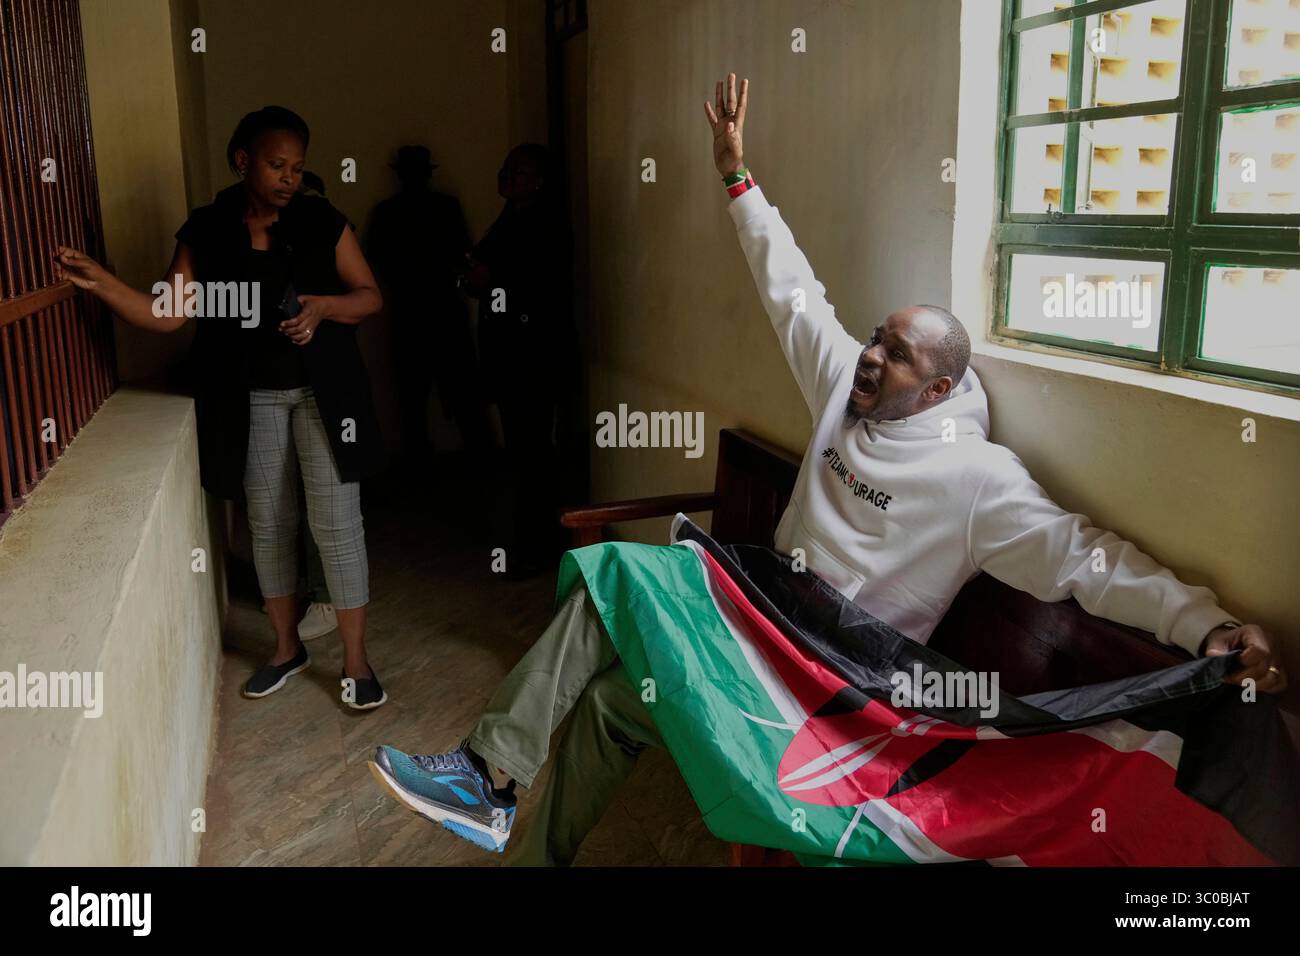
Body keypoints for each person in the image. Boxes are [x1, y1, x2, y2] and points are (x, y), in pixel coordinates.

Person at [366, 73, 1289, 862]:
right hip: (755, 627)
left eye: (894, 356)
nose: (868, 358)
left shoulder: (978, 482)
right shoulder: (844, 388)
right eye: (877, 339)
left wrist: (1205, 623)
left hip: (838, 685)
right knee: (612, 704)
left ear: (935, 394)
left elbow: (1088, 561)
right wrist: (737, 174)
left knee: (623, 571)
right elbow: (789, 286)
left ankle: (485, 776)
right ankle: (514, 824)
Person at [54, 105, 389, 709]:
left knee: (337, 527)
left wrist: (322, 308)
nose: (289, 177)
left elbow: (369, 296)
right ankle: (286, 649)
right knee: (269, 526)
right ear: (243, 161)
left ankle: (358, 663)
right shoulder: (206, 231)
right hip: (249, 396)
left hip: (326, 394)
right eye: (276, 164)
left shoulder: (321, 220)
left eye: (297, 167)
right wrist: (102, 282)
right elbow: (168, 312)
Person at [461, 144, 575, 577]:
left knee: (533, 454)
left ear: (539, 179)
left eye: (518, 170)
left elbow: (538, 286)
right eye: (506, 167)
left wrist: (491, 279)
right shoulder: (512, 218)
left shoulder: (547, 223)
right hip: (511, 357)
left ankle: (539, 549)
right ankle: (532, 543)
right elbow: (483, 268)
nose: (506, 175)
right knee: (524, 452)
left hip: (534, 358)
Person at [366, 145, 485, 461]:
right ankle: (479, 458)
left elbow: (375, 258)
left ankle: (422, 465)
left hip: (411, 310)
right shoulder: (445, 207)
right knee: (458, 393)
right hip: (443, 307)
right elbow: (464, 255)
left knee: (415, 399)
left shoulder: (388, 212)